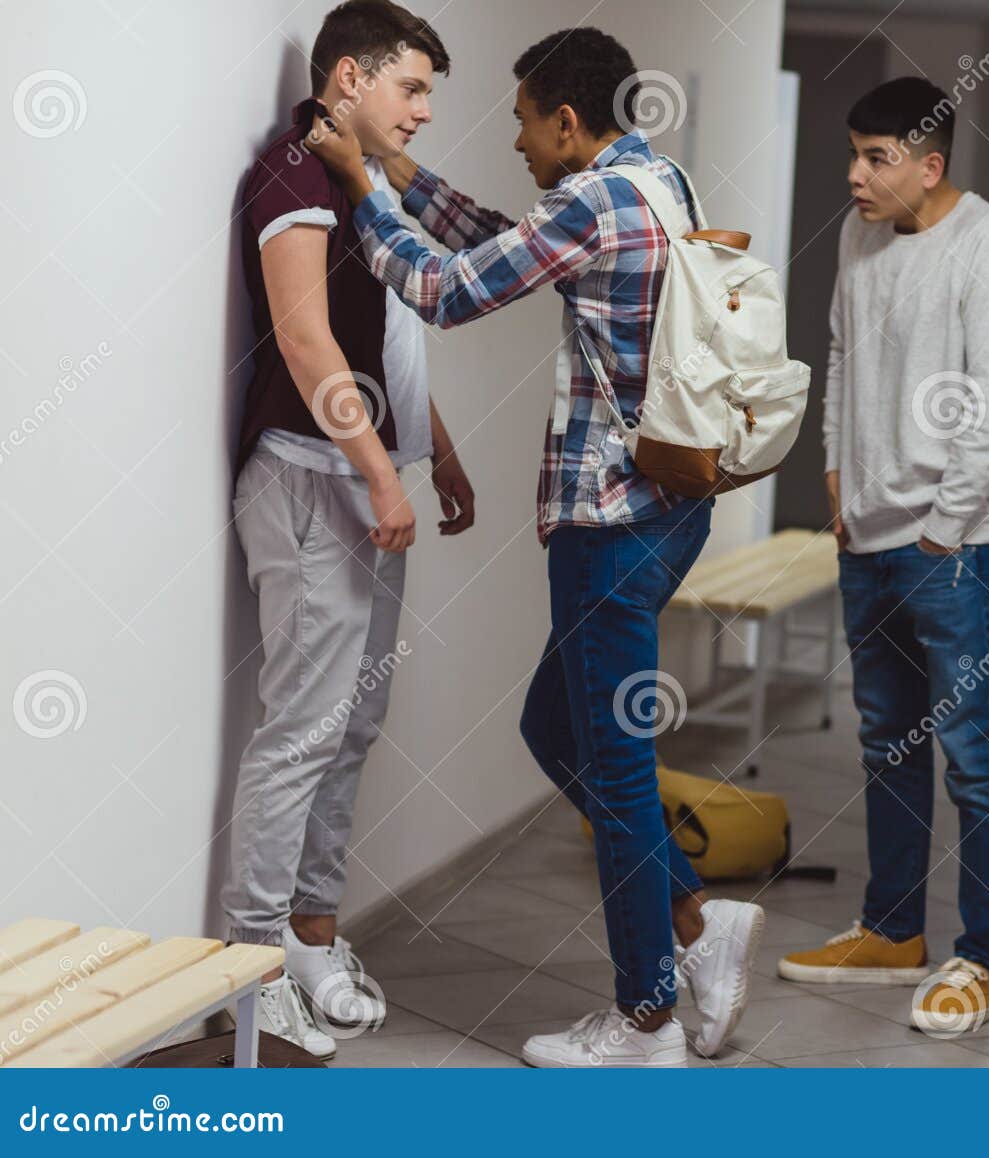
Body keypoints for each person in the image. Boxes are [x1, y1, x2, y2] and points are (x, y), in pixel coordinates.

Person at [305, 26, 763, 1068]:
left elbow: (446, 289)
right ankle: (697, 927)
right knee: (558, 728)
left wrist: (359, 185)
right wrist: (402, 175)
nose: (512, 138)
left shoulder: (593, 203)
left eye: (520, 120)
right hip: (668, 509)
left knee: (609, 755)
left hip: (609, 521)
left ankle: (645, 1017)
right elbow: (510, 236)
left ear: (565, 120)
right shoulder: (651, 178)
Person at [222, 0, 473, 1060]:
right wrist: (381, 474)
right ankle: (250, 974)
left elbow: (388, 339)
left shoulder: (358, 185)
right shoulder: (293, 174)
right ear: (347, 80)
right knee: (300, 735)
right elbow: (306, 340)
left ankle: (313, 936)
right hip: (311, 483)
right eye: (410, 87)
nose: (422, 111)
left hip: (364, 478)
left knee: (350, 727)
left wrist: (435, 450)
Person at [776, 77, 989, 1036]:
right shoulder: (859, 235)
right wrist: (837, 476)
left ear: (930, 167)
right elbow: (842, 355)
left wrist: (943, 527)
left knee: (975, 759)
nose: (854, 173)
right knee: (888, 742)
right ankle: (891, 933)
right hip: (868, 539)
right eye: (854, 151)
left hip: (953, 549)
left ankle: (985, 959)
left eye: (876, 157)